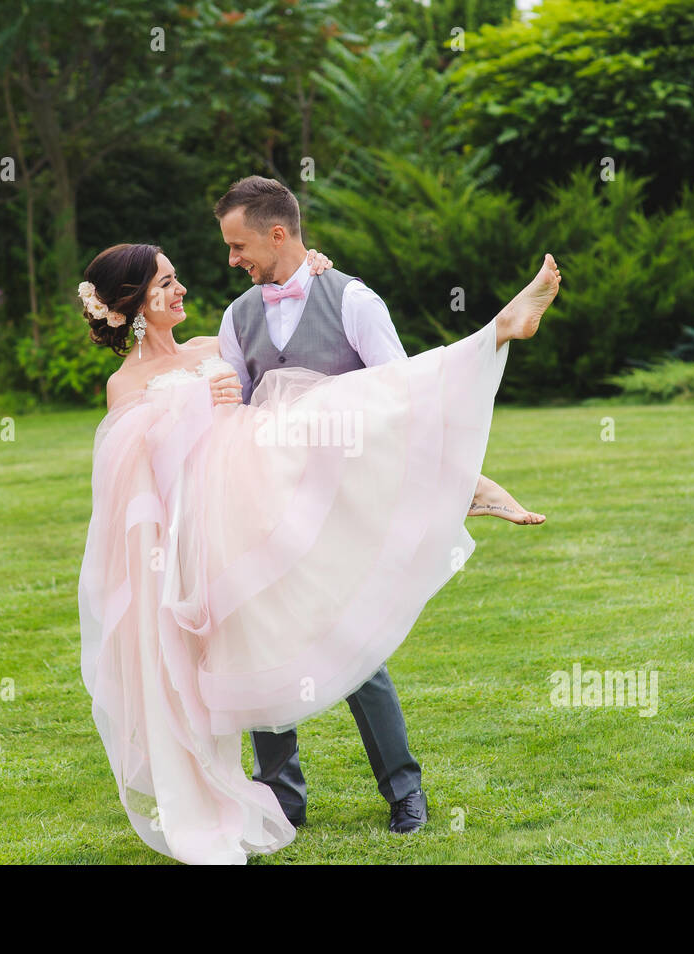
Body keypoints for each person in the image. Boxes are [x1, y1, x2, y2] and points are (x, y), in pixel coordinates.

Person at [77, 232, 560, 865]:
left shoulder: (210, 343)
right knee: (247, 657)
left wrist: (312, 269)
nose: (182, 288)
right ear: (132, 305)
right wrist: (197, 405)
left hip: (272, 487)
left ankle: (486, 362)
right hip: (214, 531)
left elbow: (267, 351)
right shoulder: (126, 384)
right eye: (165, 283)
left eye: (175, 278)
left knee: (351, 624)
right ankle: (282, 796)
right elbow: (141, 483)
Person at [212, 175, 543, 836]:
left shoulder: (352, 299)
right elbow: (236, 414)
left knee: (355, 646)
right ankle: (281, 797)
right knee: (258, 644)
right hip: (264, 506)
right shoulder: (235, 317)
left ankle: (405, 791)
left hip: (339, 508)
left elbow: (401, 397)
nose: (232, 260)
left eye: (238, 243)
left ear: (279, 233)